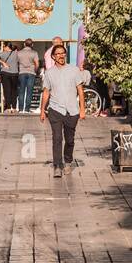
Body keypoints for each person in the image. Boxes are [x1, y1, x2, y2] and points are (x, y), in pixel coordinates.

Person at [40, 42, 91, 178]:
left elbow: (80, 91)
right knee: (57, 137)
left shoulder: (74, 70)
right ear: (53, 57)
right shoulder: (49, 73)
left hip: (72, 111)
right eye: (58, 54)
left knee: (69, 140)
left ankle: (67, 161)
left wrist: (82, 109)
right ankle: (57, 165)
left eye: (63, 53)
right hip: (55, 110)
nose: (61, 56)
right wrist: (42, 111)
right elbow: (46, 92)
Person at [16, 39, 40, 113]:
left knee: (21, 91)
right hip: (31, 73)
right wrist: (35, 71)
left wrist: (19, 70)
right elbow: (37, 64)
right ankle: (26, 109)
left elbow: (16, 63)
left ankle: (20, 109)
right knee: (29, 91)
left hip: (22, 72)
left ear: (24, 44)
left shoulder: (18, 53)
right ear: (32, 45)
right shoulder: (34, 53)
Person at [0, 41, 20, 112]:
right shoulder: (16, 53)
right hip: (15, 74)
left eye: (4, 46)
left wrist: (3, 63)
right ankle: (14, 108)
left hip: (5, 74)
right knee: (14, 91)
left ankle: (8, 108)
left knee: (7, 91)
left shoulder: (3, 54)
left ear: (7, 47)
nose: (3, 48)